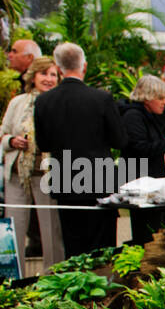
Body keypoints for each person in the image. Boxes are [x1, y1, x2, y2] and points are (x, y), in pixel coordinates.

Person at [34, 41, 125, 258]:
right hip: (98, 180)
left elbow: (44, 144)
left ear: (58, 68)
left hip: (65, 180)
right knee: (103, 247)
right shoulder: (101, 98)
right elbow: (120, 139)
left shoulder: (44, 101)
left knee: (73, 247)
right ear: (84, 66)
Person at [0, 55, 64, 271]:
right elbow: (1, 134)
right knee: (14, 228)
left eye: (53, 74)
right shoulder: (18, 102)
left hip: (47, 175)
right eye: (44, 73)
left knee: (51, 231)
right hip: (18, 175)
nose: (48, 78)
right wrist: (11, 141)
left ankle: (53, 276)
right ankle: (14, 277)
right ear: (33, 76)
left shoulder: (60, 103)